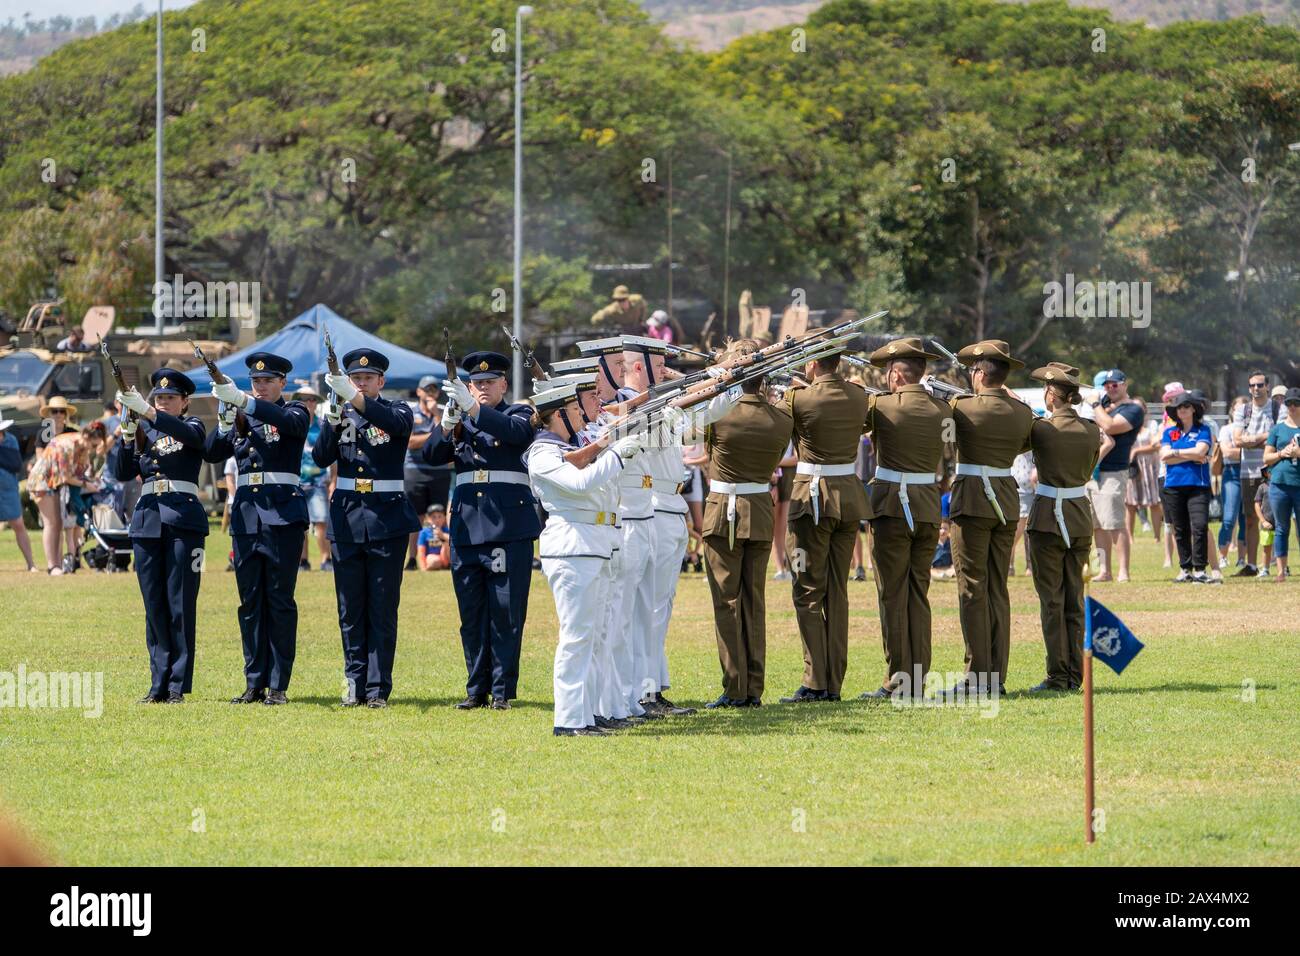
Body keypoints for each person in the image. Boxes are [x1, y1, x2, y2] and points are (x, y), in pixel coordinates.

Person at [524, 379, 647, 736]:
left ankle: (590, 712)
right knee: (577, 636)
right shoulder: (543, 453)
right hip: (572, 545)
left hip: (595, 543)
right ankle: (568, 718)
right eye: (576, 410)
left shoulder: (572, 446)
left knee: (597, 634)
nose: (583, 414)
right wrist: (618, 452)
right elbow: (581, 484)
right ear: (557, 415)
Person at [424, 350, 538, 711]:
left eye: (490, 382)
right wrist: (447, 421)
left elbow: (515, 433)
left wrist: (470, 410)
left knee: (505, 612)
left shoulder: (517, 413)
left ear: (504, 383)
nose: (483, 388)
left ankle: (502, 689)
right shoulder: (462, 416)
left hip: (507, 527)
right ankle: (476, 688)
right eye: (476, 384)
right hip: (467, 526)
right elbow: (429, 455)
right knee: (471, 613)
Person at [314, 348, 420, 708]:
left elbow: (396, 427)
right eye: (355, 378)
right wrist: (330, 423)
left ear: (381, 381)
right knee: (350, 609)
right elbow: (320, 458)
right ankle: (354, 684)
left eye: (367, 378)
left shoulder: (397, 410)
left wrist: (353, 398)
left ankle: (377, 688)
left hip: (386, 519)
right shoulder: (341, 412)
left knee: (382, 607)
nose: (361, 383)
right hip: (347, 518)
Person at [207, 352, 312, 706]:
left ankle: (279, 684)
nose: (262, 386)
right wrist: (224, 419)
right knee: (250, 602)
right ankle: (254, 681)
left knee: (279, 600)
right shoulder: (242, 416)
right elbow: (211, 452)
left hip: (282, 516)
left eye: (268, 381)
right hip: (248, 517)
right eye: (256, 381)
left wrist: (243, 401)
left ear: (283, 383)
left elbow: (291, 425)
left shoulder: (293, 410)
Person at [698, 339, 793, 708]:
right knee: (755, 601)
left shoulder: (719, 414)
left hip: (723, 511)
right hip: (760, 509)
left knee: (727, 601)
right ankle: (754, 686)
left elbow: (707, 448)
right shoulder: (781, 418)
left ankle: (735, 686)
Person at [781, 338, 872, 703]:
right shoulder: (858, 396)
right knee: (838, 591)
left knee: (807, 590)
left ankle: (814, 679)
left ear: (813, 364)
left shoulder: (797, 399)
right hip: (848, 497)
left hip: (812, 499)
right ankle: (833, 681)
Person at [859, 337, 949, 700]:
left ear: (896, 374)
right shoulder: (943, 409)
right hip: (927, 507)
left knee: (892, 596)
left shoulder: (881, 407)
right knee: (918, 593)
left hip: (892, 508)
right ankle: (918, 678)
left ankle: (898, 679)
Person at [110, 370, 208, 703]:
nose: (162, 402)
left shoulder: (193, 426)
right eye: (158, 398)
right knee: (154, 606)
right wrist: (126, 436)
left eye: (169, 398)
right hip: (149, 518)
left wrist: (149, 413)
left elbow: (194, 441)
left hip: (183, 519)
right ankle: (158, 682)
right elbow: (122, 473)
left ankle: (178, 684)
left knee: (180, 603)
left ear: (184, 403)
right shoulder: (145, 429)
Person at [617, 334, 702, 715]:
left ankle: (649, 688)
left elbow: (706, 414)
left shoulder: (661, 400)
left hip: (668, 504)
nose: (665, 369)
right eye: (658, 363)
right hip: (650, 507)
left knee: (658, 607)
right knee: (646, 609)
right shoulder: (625, 405)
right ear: (638, 367)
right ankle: (643, 693)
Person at [945, 340, 1034, 697]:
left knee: (971, 587)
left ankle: (976, 675)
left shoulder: (961, 407)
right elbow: (1025, 442)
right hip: (1006, 498)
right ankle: (996, 674)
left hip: (973, 501)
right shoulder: (1021, 411)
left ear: (981, 373)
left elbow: (945, 439)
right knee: (998, 587)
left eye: (972, 371)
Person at [1023, 364, 1101, 692]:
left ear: (1050, 395)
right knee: (1075, 599)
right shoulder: (1091, 429)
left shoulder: (1042, 429)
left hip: (1048, 519)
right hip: (1079, 515)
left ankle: (1058, 674)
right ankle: (1075, 674)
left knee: (1051, 601)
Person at [1088, 369, 1145, 582]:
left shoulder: (1133, 409)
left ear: (1124, 385)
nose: (1110, 388)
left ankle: (1123, 571)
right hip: (1095, 471)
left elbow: (1110, 427)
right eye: (1107, 385)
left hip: (1114, 471)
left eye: (1115, 384)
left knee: (1114, 522)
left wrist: (1095, 405)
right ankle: (1105, 570)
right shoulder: (1106, 407)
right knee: (1097, 524)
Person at [1160, 390, 1214, 583]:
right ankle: (1185, 569)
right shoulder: (1169, 432)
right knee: (1180, 528)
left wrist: (1176, 454)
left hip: (1198, 485)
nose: (1182, 410)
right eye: (1178, 407)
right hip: (1173, 486)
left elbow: (1202, 451)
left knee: (1199, 526)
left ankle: (1200, 569)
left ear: (1193, 409)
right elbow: (1164, 456)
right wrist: (1190, 455)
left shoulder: (1203, 430)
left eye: (1185, 406)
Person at [404, 375, 453, 570]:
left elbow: (446, 439)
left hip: (439, 472)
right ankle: (413, 558)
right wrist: (434, 434)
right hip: (415, 471)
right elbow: (410, 442)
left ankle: (443, 557)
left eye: (433, 389)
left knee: (439, 516)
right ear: (418, 392)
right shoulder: (410, 413)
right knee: (415, 516)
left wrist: (437, 417)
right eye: (426, 389)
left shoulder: (443, 414)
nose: (430, 393)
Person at [1232, 371, 1278, 577]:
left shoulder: (1279, 409)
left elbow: (1279, 437)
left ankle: (1276, 563)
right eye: (1252, 385)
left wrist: (1252, 440)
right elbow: (1238, 440)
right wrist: (1264, 439)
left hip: (1273, 469)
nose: (1256, 389)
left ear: (1267, 386)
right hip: (1248, 471)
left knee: (1277, 517)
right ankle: (1251, 565)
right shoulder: (1243, 410)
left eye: (1260, 385)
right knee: (1250, 518)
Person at [27, 396, 80, 573]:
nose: (58, 414)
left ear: (66, 414)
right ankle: (53, 565)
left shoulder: (72, 431)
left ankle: (59, 564)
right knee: (51, 523)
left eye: (61, 411)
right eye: (54, 411)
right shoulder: (45, 431)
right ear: (49, 414)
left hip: (62, 482)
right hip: (44, 480)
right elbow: (41, 457)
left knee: (60, 524)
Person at [292, 385, 333, 571]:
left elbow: (332, 455)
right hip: (296, 482)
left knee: (322, 520)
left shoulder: (323, 425)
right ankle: (303, 561)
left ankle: (326, 560)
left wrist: (333, 481)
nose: (309, 403)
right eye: (304, 399)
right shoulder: (290, 423)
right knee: (300, 525)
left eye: (312, 399)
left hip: (318, 482)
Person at [1262, 388, 1300, 583]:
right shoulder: (1277, 429)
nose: (1292, 407)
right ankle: (1280, 572)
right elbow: (1266, 458)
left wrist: (1298, 453)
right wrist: (1282, 453)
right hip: (1279, 485)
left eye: (1296, 403)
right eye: (1289, 404)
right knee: (1281, 529)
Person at [0, 418, 38, 571]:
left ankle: (31, 564)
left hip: (8, 489)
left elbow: (15, 464)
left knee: (18, 524)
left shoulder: (11, 440)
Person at [1217, 397, 1247, 570]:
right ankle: (1223, 556)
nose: (1240, 412)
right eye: (1238, 408)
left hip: (1249, 473)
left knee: (1246, 519)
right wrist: (1250, 447)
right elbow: (1227, 452)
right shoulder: (1226, 429)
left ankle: (1242, 558)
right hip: (1232, 474)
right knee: (1229, 518)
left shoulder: (1250, 428)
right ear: (1232, 410)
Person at [418, 503, 451, 570]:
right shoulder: (424, 532)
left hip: (446, 558)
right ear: (428, 519)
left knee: (448, 543)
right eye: (434, 517)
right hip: (432, 557)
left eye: (440, 516)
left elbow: (454, 540)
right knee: (434, 561)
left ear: (444, 518)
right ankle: (439, 566)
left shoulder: (447, 530)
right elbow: (421, 551)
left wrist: (442, 535)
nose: (437, 520)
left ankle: (447, 565)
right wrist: (423, 567)